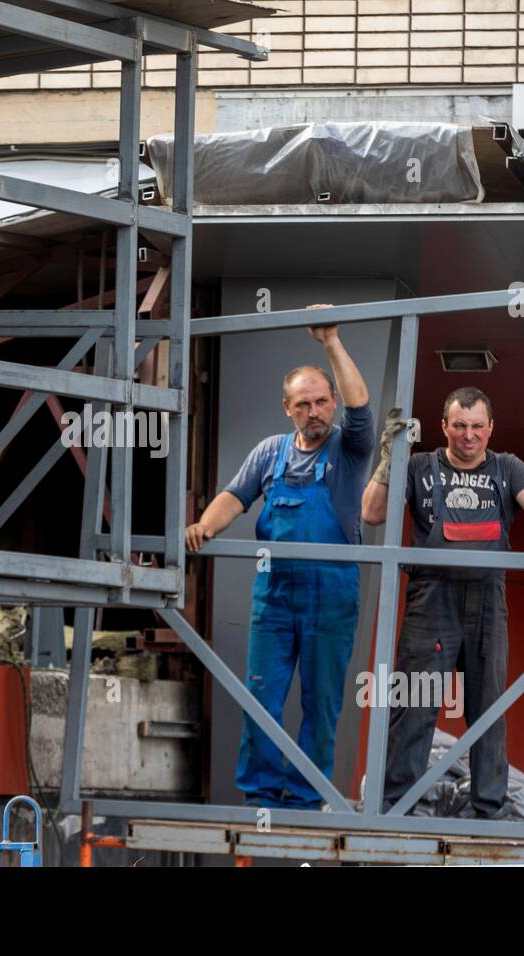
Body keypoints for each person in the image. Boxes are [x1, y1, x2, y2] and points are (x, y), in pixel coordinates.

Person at [187, 311, 373, 808]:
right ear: (287, 408)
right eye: (303, 404)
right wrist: (206, 525)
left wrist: (332, 341)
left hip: (331, 595)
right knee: (261, 699)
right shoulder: (270, 453)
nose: (314, 412)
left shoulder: (349, 449)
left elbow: (362, 406)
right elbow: (234, 496)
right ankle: (262, 796)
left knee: (322, 703)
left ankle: (307, 798)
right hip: (274, 595)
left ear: (331, 402)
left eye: (320, 402)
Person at [361, 386, 524, 818]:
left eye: (477, 426)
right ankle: (400, 805)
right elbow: (372, 512)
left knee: (488, 706)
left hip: (486, 600)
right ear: (444, 427)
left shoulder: (508, 468)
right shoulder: (419, 466)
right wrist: (389, 461)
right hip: (431, 597)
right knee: (415, 701)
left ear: (491, 428)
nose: (468, 435)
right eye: (459, 425)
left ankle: (488, 810)